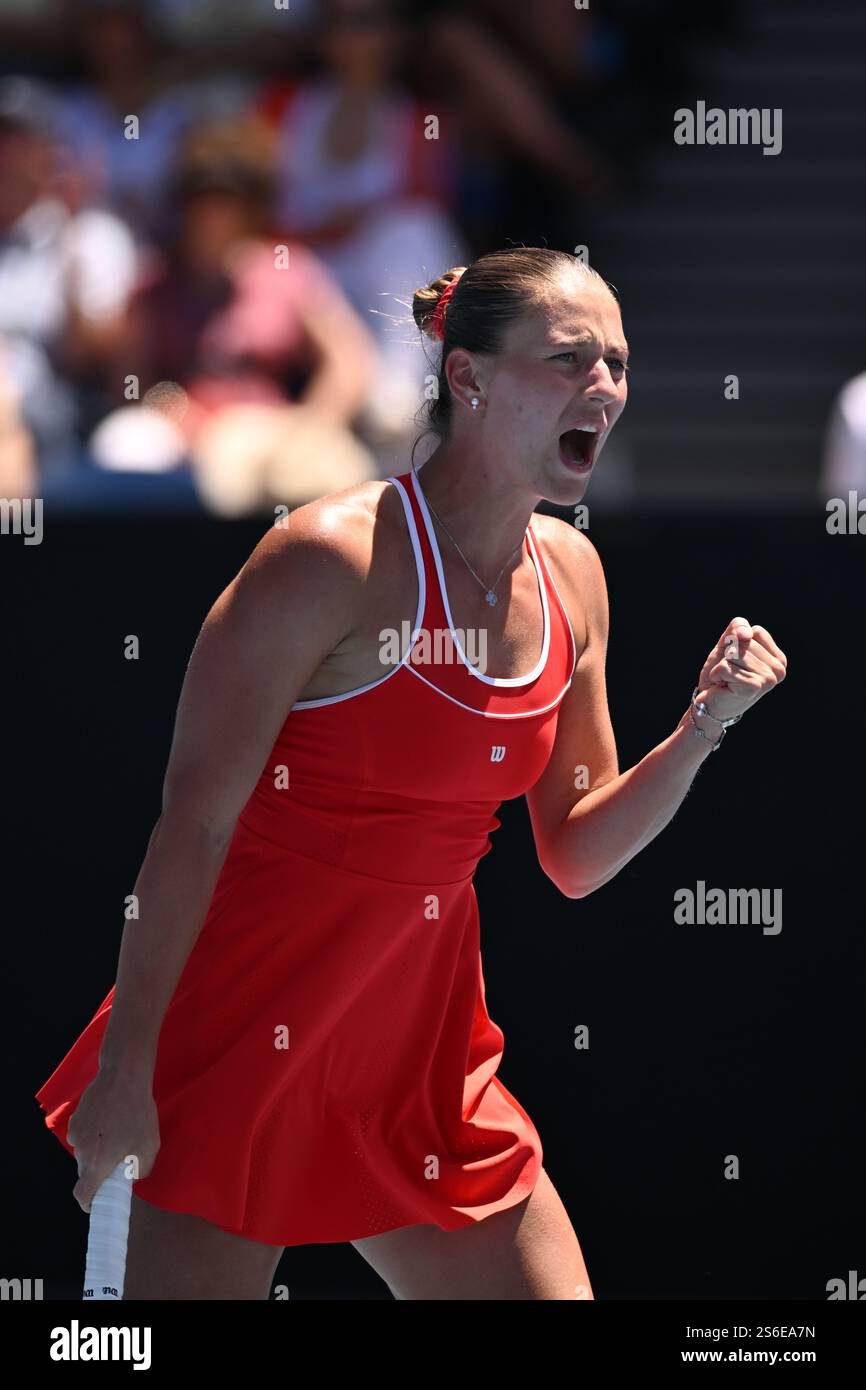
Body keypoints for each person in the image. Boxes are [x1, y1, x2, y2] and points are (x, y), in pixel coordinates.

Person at [35, 246, 788, 1300]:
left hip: (419, 1059)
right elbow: (191, 828)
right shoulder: (322, 559)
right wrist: (126, 1073)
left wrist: (702, 726)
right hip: (235, 1034)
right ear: (468, 377)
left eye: (617, 361)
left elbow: (573, 852)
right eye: (570, 358)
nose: (604, 388)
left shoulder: (573, 574)